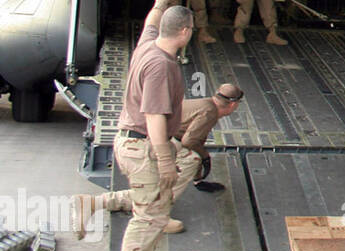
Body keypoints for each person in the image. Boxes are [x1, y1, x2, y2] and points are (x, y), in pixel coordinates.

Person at [108, 0, 191, 251]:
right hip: (142, 146)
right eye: (191, 30)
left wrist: (159, 3)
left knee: (154, 211)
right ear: (184, 32)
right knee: (149, 216)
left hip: (131, 142)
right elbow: (154, 115)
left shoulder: (147, 46)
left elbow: (150, 23)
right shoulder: (161, 66)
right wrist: (166, 160)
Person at [73, 83, 243, 239]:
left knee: (162, 180)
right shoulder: (210, 112)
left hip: (143, 138)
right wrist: (205, 157)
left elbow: (194, 139)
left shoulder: (205, 103)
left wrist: (198, 178)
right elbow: (190, 142)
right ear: (233, 105)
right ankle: (156, 215)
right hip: (147, 143)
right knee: (190, 160)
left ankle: (98, 202)